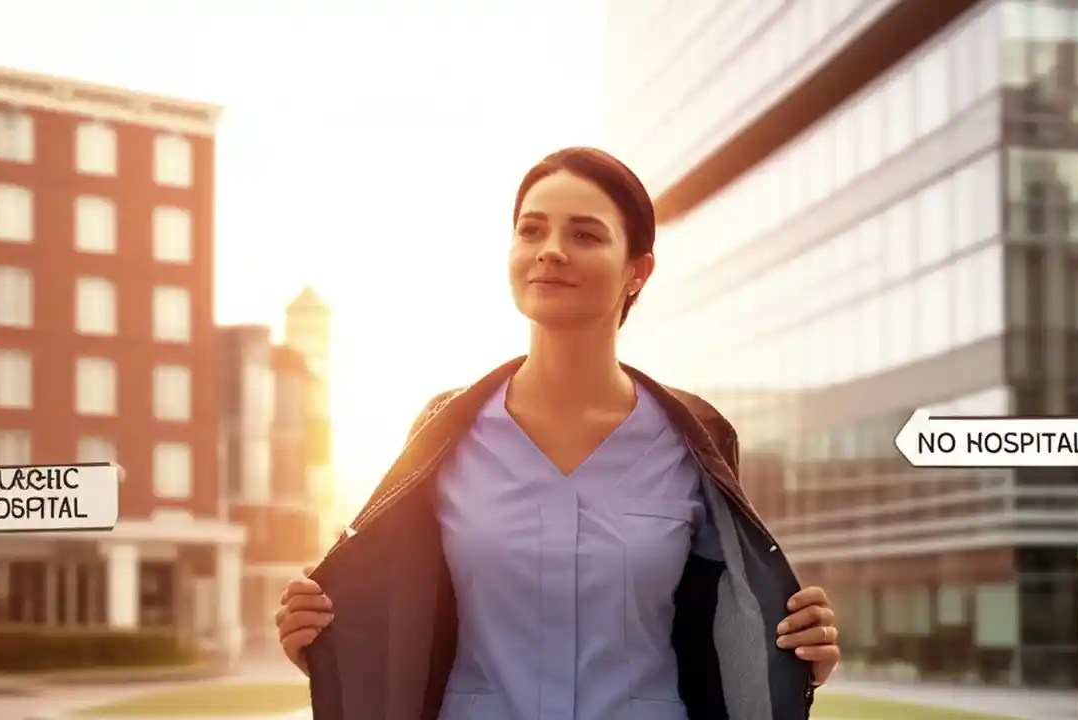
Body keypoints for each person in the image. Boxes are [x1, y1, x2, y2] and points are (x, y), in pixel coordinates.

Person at [275, 147, 840, 719]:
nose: (550, 251)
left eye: (586, 235)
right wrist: (325, 640)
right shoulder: (443, 435)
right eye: (531, 230)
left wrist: (795, 656)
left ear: (637, 271)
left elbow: (734, 621)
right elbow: (399, 616)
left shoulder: (696, 439)